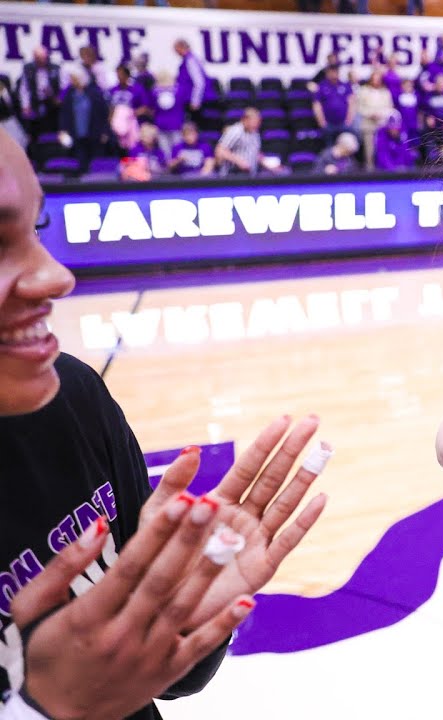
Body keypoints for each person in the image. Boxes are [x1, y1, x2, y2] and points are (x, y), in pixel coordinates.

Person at [0, 127, 329, 720]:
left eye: (36, 230)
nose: (55, 276)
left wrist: (182, 607)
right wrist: (46, 709)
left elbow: (165, 679)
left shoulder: (71, 393)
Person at [58, 68, 109, 175]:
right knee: (80, 159)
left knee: (95, 161)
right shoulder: (69, 94)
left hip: (94, 133)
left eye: (73, 78)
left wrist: (105, 131)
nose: (71, 81)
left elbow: (104, 114)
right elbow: (65, 114)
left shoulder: (94, 93)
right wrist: (63, 130)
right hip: (76, 132)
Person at [16, 46, 61, 145]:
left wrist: (55, 96)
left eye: (43, 58)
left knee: (51, 130)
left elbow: (63, 87)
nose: (41, 61)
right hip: (34, 103)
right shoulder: (28, 69)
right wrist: (25, 105)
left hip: (51, 105)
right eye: (38, 58)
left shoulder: (55, 68)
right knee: (33, 132)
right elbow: (24, 89)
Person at [354, 70, 394, 170]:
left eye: (378, 79)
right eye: (374, 79)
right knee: (369, 150)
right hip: (368, 124)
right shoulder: (363, 91)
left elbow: (389, 107)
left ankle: (384, 169)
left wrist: (381, 114)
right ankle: (370, 169)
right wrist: (370, 114)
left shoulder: (385, 92)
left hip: (383, 125)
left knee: (383, 149)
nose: (376, 81)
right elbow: (359, 107)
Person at [214, 107, 267, 176]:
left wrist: (269, 164)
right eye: (254, 121)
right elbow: (220, 150)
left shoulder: (255, 133)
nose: (257, 124)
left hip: (249, 176)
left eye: (258, 121)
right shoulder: (236, 131)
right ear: (245, 119)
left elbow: (255, 153)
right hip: (232, 175)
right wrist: (238, 161)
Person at [173, 39, 207, 122]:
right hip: (188, 99)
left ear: (182, 47)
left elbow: (199, 82)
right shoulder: (187, 60)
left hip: (192, 101)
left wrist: (195, 101)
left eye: (176, 49)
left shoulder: (191, 61)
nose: (176, 52)